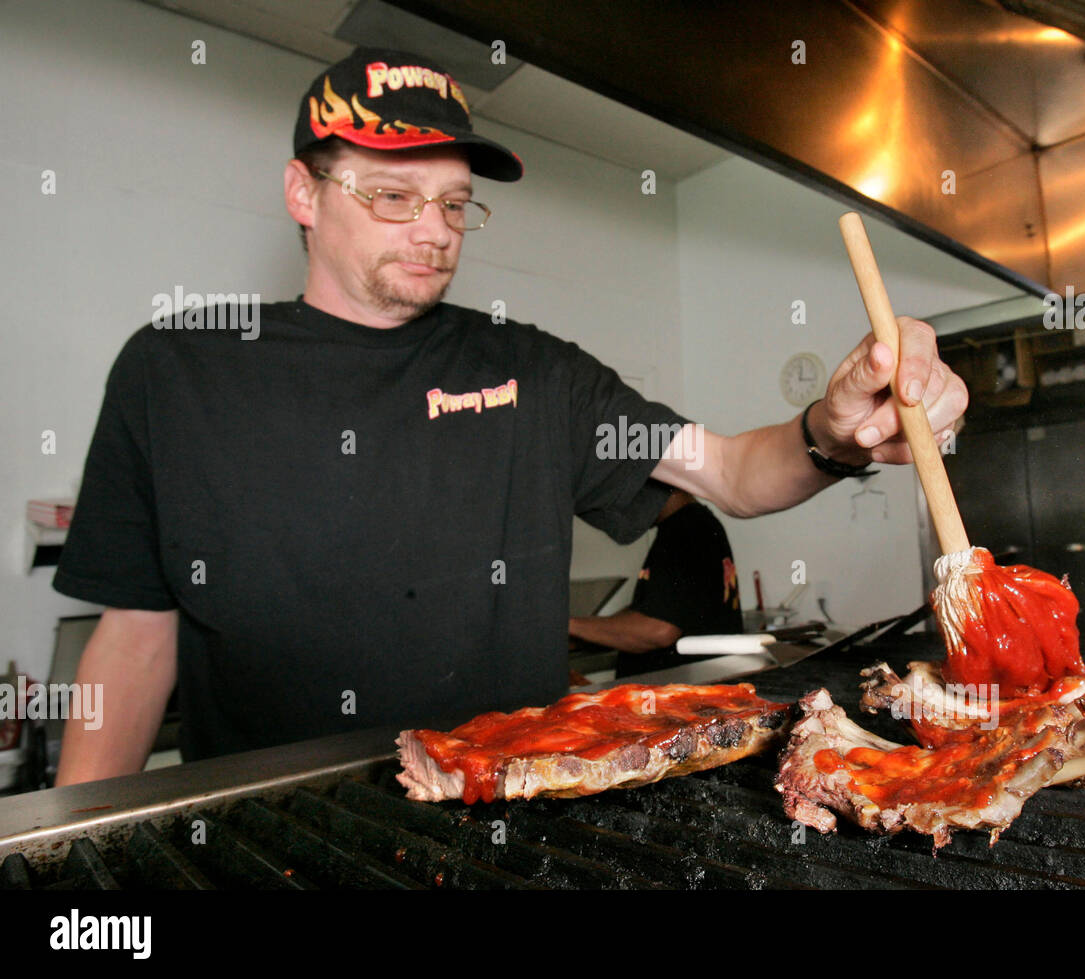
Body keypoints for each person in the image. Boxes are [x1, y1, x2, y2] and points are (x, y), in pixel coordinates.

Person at [52, 48, 968, 785]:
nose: (433, 231)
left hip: (502, 816)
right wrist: (68, 855)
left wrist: (829, 431)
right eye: (394, 196)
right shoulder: (175, 371)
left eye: (455, 204)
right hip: (272, 832)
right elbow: (135, 637)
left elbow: (729, 471)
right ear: (304, 192)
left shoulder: (530, 370)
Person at [568, 487, 742, 677]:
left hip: (680, 698)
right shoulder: (690, 525)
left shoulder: (686, 529)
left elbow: (659, 630)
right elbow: (651, 609)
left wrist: (566, 625)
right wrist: (581, 635)